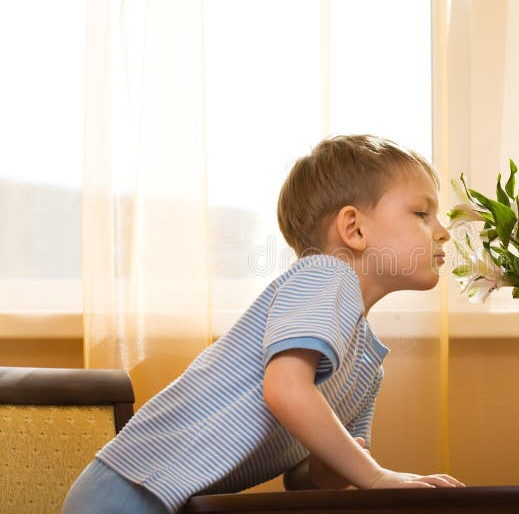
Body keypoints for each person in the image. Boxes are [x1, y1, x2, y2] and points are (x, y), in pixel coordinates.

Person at [63, 134, 463, 513]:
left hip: (172, 500)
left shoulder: (366, 366)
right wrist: (374, 477)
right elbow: (285, 390)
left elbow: (305, 483)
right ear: (354, 228)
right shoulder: (325, 274)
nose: (443, 232)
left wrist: (338, 468)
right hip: (128, 489)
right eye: (422, 213)